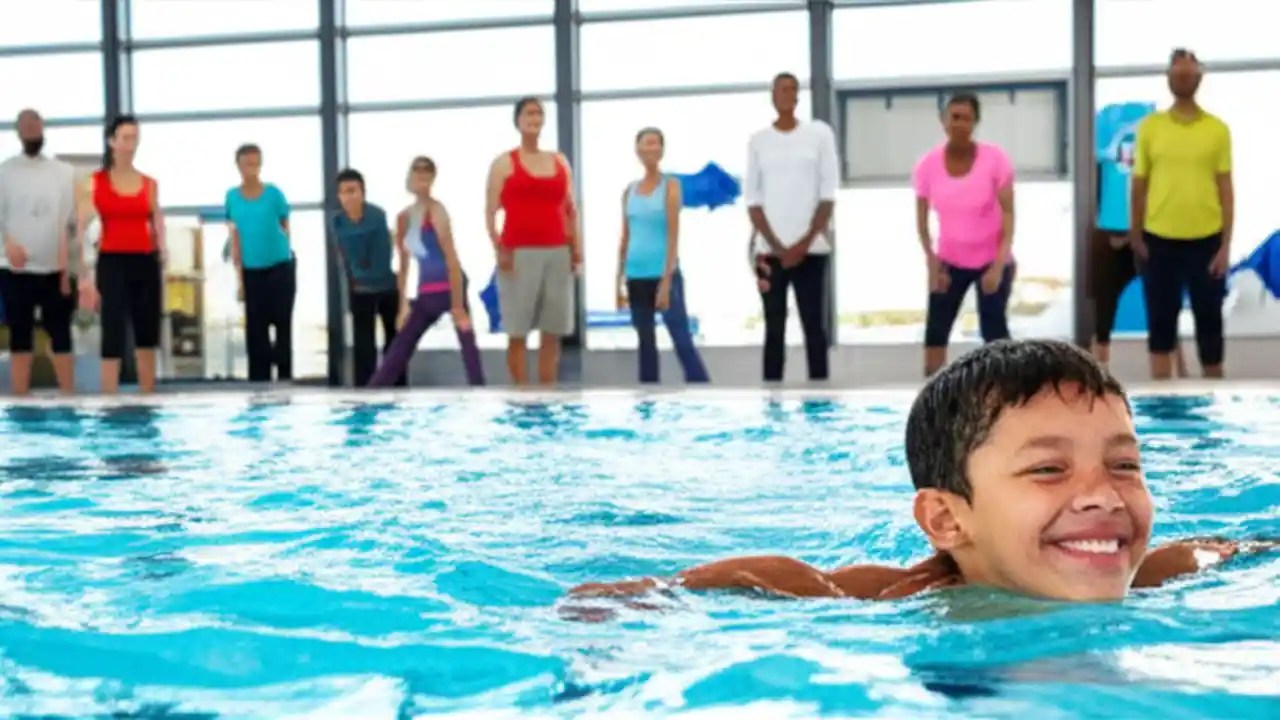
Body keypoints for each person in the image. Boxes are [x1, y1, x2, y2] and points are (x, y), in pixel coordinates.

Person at [570, 339, 1274, 604]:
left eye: (1124, 464)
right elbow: (783, 576)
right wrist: (649, 594)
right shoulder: (910, 595)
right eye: (1048, 469)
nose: (1102, 496)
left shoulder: (1153, 574)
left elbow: (1219, 551)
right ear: (946, 519)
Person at [1130, 48, 1233, 380]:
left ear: (1199, 78)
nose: (1183, 79)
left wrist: (1226, 245)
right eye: (1177, 73)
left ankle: (1216, 402)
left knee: (1211, 330)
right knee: (1160, 330)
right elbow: (1139, 184)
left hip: (1207, 241)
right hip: (1158, 240)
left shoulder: (1217, 129)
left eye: (1188, 73)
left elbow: (1225, 188)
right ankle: (1160, 406)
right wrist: (1136, 234)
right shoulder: (1150, 127)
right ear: (1169, 78)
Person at [913, 93, 1016, 377]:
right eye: (954, 117)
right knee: (936, 331)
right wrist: (932, 263)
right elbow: (921, 221)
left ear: (975, 122)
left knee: (994, 332)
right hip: (950, 260)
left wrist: (998, 266)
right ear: (944, 121)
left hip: (992, 259)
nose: (959, 124)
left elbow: (1009, 214)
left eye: (966, 118)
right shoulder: (927, 165)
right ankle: (933, 391)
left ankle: (1007, 390)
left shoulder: (995, 159)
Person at [746, 72, 838, 383]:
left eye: (792, 89)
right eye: (781, 89)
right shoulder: (758, 141)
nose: (787, 94)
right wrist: (778, 247)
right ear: (772, 96)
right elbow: (753, 200)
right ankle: (771, 398)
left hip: (812, 250)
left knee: (814, 326)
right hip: (768, 253)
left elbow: (827, 194)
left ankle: (821, 399)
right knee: (773, 327)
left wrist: (802, 243)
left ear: (798, 96)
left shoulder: (819, 135)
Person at [485, 96, 581, 386]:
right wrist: (499, 248)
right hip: (519, 253)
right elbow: (490, 211)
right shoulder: (504, 163)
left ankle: (547, 390)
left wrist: (576, 250)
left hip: (557, 251)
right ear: (517, 120)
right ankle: (521, 391)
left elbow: (571, 210)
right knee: (518, 329)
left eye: (538, 113)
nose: (534, 118)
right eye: (528, 113)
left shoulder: (559, 162)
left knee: (552, 330)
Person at [368, 156, 484, 387]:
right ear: (411, 176)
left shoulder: (437, 211)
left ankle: (480, 390)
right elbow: (404, 267)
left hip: (450, 286)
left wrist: (458, 305)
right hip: (426, 292)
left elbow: (451, 258)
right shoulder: (404, 217)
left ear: (432, 179)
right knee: (401, 346)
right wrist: (402, 306)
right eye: (418, 173)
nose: (422, 178)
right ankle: (372, 395)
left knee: (467, 344)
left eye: (426, 174)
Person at [77, 115, 166, 395]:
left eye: (134, 138)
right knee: (112, 327)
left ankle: (148, 393)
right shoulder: (93, 182)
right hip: (112, 260)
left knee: (147, 328)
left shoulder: (149, 184)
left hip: (145, 260)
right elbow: (80, 228)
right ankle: (109, 395)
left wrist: (163, 252)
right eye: (125, 138)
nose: (130, 144)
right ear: (112, 141)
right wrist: (84, 275)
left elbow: (157, 222)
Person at [615, 127, 709, 385]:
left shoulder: (671, 186)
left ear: (662, 150)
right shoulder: (629, 191)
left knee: (681, 340)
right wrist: (618, 281)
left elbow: (673, 236)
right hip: (636, 276)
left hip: (664, 275)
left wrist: (666, 283)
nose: (651, 148)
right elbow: (625, 237)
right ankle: (647, 400)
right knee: (646, 343)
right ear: (637, 149)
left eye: (656, 143)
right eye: (646, 143)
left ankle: (702, 391)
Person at [0, 109, 77, 394]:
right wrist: (8, 245)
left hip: (54, 268)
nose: (32, 131)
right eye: (27, 127)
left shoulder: (62, 173)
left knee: (61, 334)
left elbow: (67, 223)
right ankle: (21, 398)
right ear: (18, 132)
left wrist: (65, 269)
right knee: (20, 335)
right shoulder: (5, 172)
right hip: (15, 268)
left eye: (36, 126)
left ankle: (68, 396)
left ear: (43, 129)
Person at [225, 143, 295, 383]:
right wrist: (239, 276)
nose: (252, 169)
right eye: (247, 164)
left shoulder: (274, 193)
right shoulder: (232, 197)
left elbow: (285, 226)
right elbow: (234, 234)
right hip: (251, 270)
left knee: (282, 325)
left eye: (256, 164)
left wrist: (284, 251)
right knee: (256, 331)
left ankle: (285, 380)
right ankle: (258, 384)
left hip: (280, 267)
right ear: (239, 166)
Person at [331, 168, 403, 387]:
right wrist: (353, 280)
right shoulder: (337, 222)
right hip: (359, 290)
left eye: (353, 190)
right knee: (363, 347)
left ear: (362, 192)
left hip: (386, 287)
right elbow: (344, 255)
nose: (349, 196)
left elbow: (381, 255)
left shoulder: (377, 215)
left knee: (394, 343)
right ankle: (364, 392)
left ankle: (398, 388)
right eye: (344, 192)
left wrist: (362, 269)